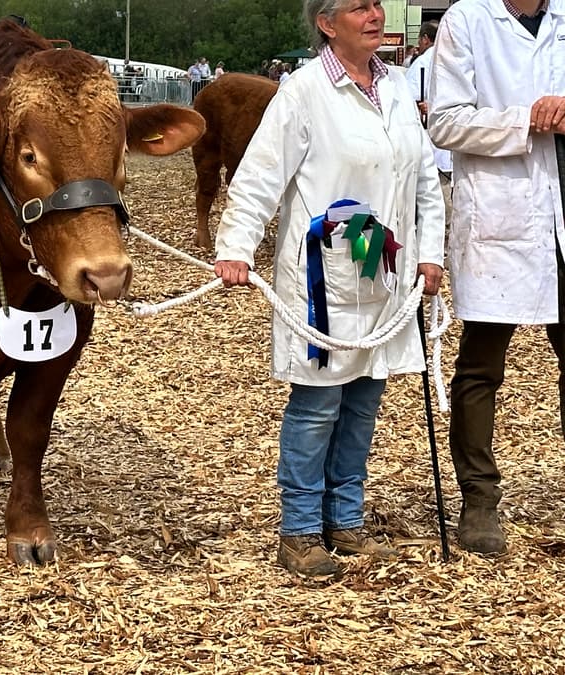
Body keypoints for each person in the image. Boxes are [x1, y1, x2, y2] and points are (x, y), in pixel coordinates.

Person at [214, 0, 445, 577]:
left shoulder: (396, 88)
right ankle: (298, 532)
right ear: (326, 22)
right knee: (318, 403)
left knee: (364, 399)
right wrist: (236, 246)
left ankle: (345, 520)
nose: (375, 14)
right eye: (360, 6)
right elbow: (261, 175)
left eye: (377, 5)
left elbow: (422, 181)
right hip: (325, 276)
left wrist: (431, 254)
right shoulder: (303, 92)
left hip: (384, 274)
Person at [427, 0, 565, 555]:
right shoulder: (468, 20)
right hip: (501, 215)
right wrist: (525, 117)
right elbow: (445, 122)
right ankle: (478, 498)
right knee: (481, 366)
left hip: (560, 212)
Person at [405, 21, 451, 180]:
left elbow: (408, 101)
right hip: (457, 152)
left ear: (425, 39)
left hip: (432, 149)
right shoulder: (455, 57)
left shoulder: (422, 63)